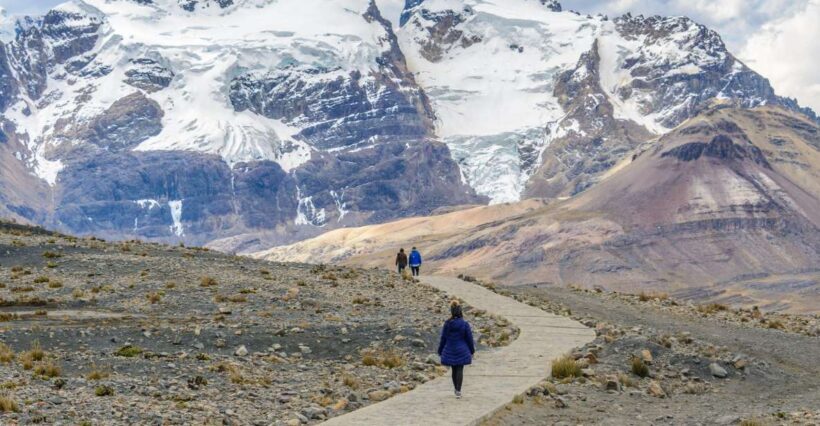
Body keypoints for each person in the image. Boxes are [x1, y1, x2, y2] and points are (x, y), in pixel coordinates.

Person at [437, 300, 475, 399]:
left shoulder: (447, 324)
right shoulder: (464, 324)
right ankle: (458, 390)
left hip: (450, 349)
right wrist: (472, 350)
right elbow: (469, 338)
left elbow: (443, 338)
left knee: (453, 369)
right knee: (460, 369)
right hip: (462, 349)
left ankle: (456, 389)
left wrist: (440, 350)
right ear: (460, 311)